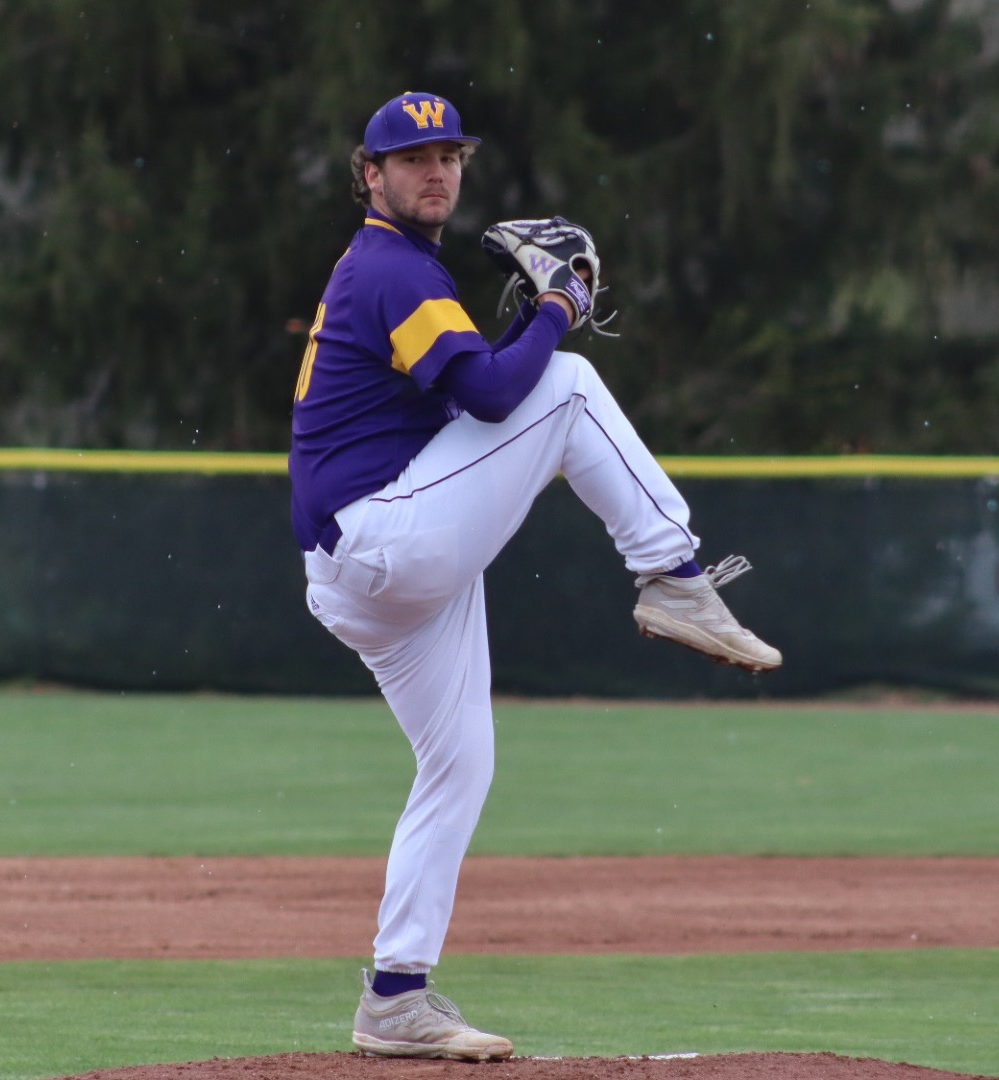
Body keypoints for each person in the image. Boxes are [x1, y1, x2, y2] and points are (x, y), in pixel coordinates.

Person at [289, 91, 782, 1062]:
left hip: (372, 567)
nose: (437, 171)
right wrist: (560, 307)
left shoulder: (399, 271)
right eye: (414, 157)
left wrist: (533, 328)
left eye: (451, 156)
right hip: (387, 539)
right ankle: (671, 570)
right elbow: (495, 391)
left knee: (460, 763)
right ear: (370, 174)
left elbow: (467, 400)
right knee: (569, 387)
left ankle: (395, 996)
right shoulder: (392, 268)